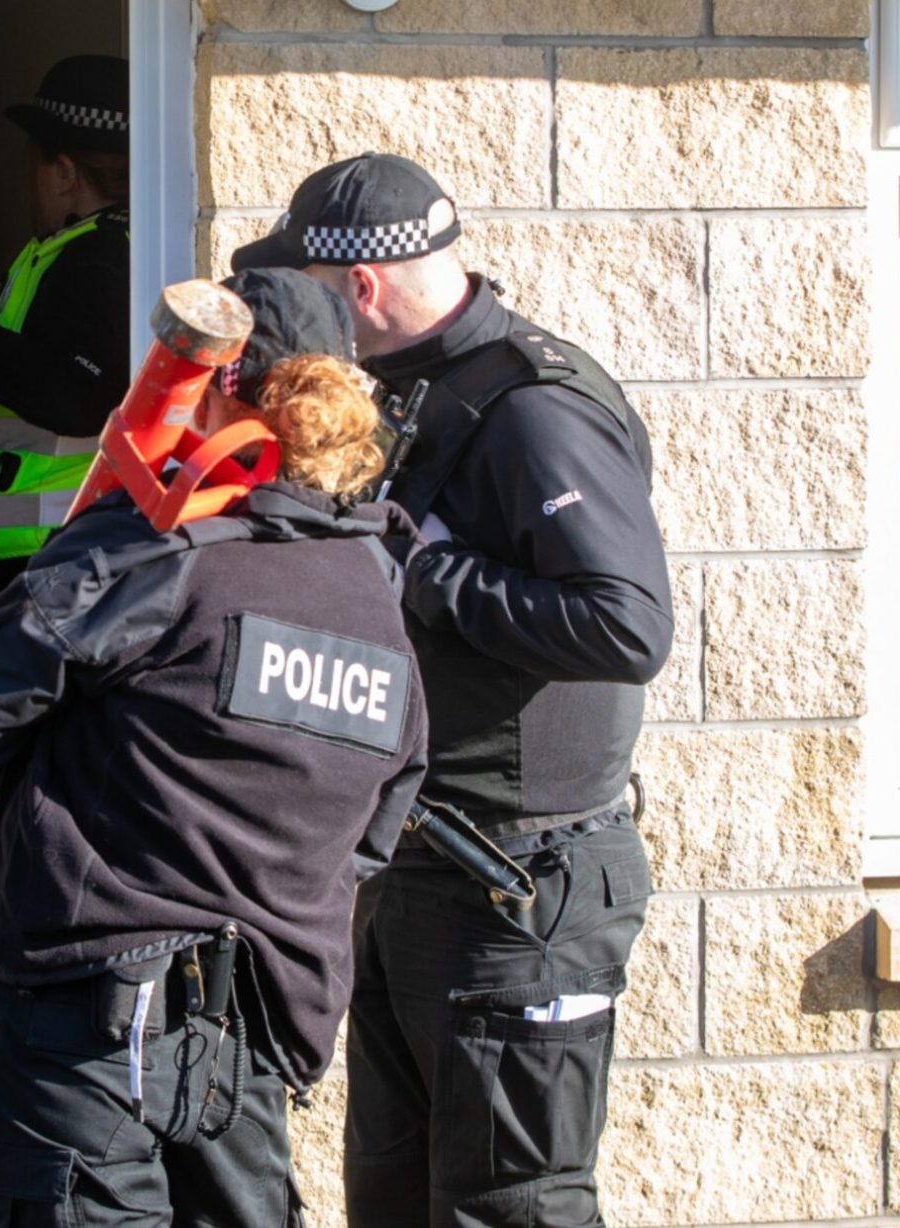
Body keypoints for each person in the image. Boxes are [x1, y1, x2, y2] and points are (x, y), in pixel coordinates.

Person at [0, 268, 429, 1227]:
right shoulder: (375, 589)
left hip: (85, 1028)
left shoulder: (161, 557)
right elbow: (379, 822)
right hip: (253, 1043)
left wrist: (93, 541)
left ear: (218, 390)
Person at [233, 152, 674, 1227]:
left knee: (508, 1205)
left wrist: (428, 571)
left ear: (360, 287)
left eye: (309, 291)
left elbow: (626, 624)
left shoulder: (532, 409)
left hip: (518, 886)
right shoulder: (410, 387)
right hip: (421, 868)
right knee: (391, 1194)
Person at [0, 54, 132, 611]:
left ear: (64, 174)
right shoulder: (85, 249)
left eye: (35, 163)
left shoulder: (98, 259)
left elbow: (73, 394)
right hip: (61, 552)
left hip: (56, 559)